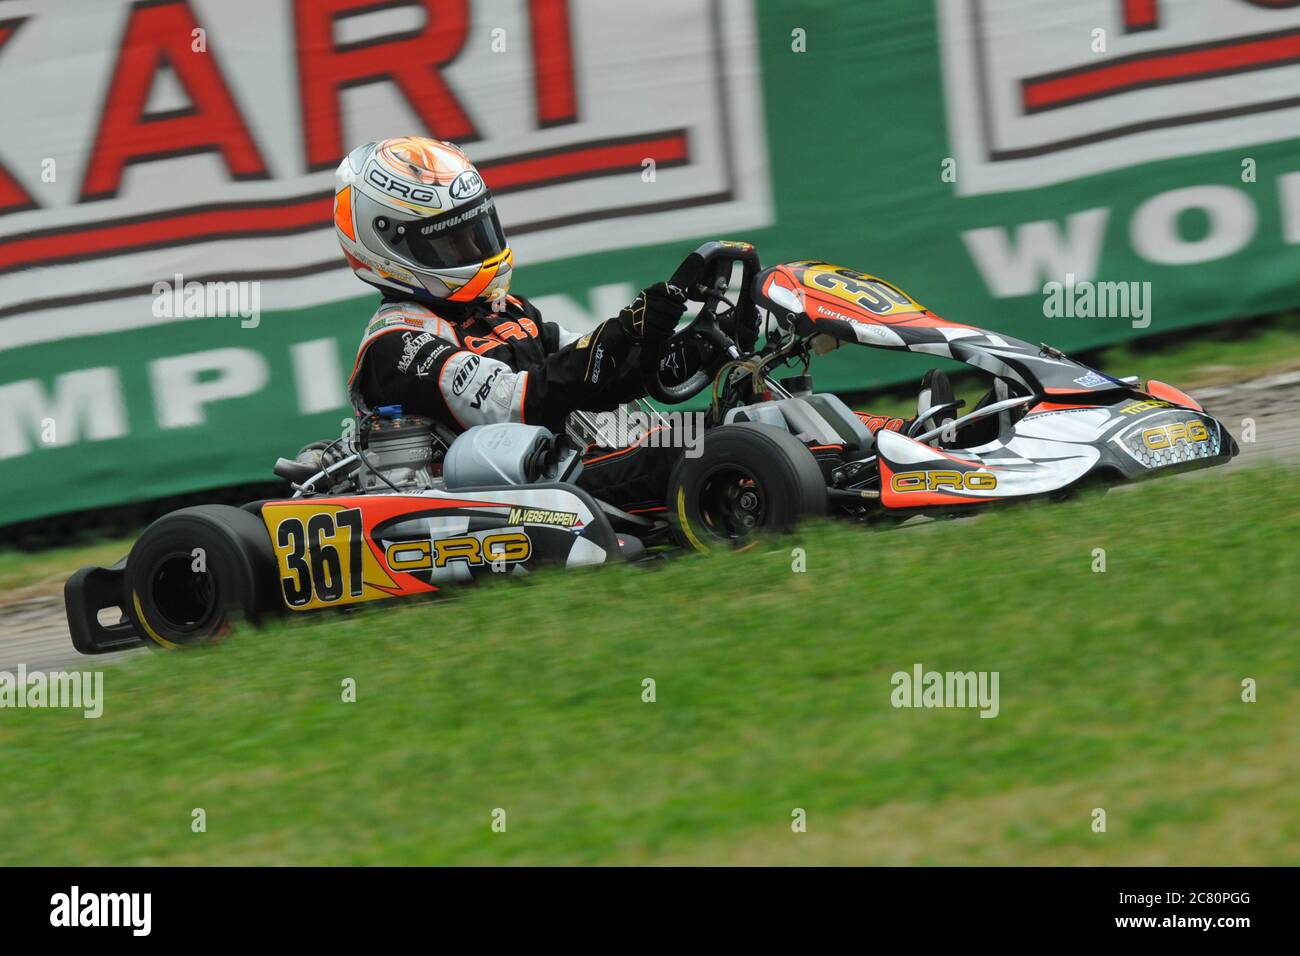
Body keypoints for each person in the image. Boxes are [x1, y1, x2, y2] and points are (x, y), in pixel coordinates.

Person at [333, 136, 690, 514]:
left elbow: (597, 370)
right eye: (451, 239)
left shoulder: (502, 310)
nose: (474, 245)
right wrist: (622, 331)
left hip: (566, 472)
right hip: (507, 497)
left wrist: (694, 349)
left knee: (710, 430)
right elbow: (518, 404)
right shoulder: (396, 343)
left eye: (476, 228)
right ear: (391, 246)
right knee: (687, 452)